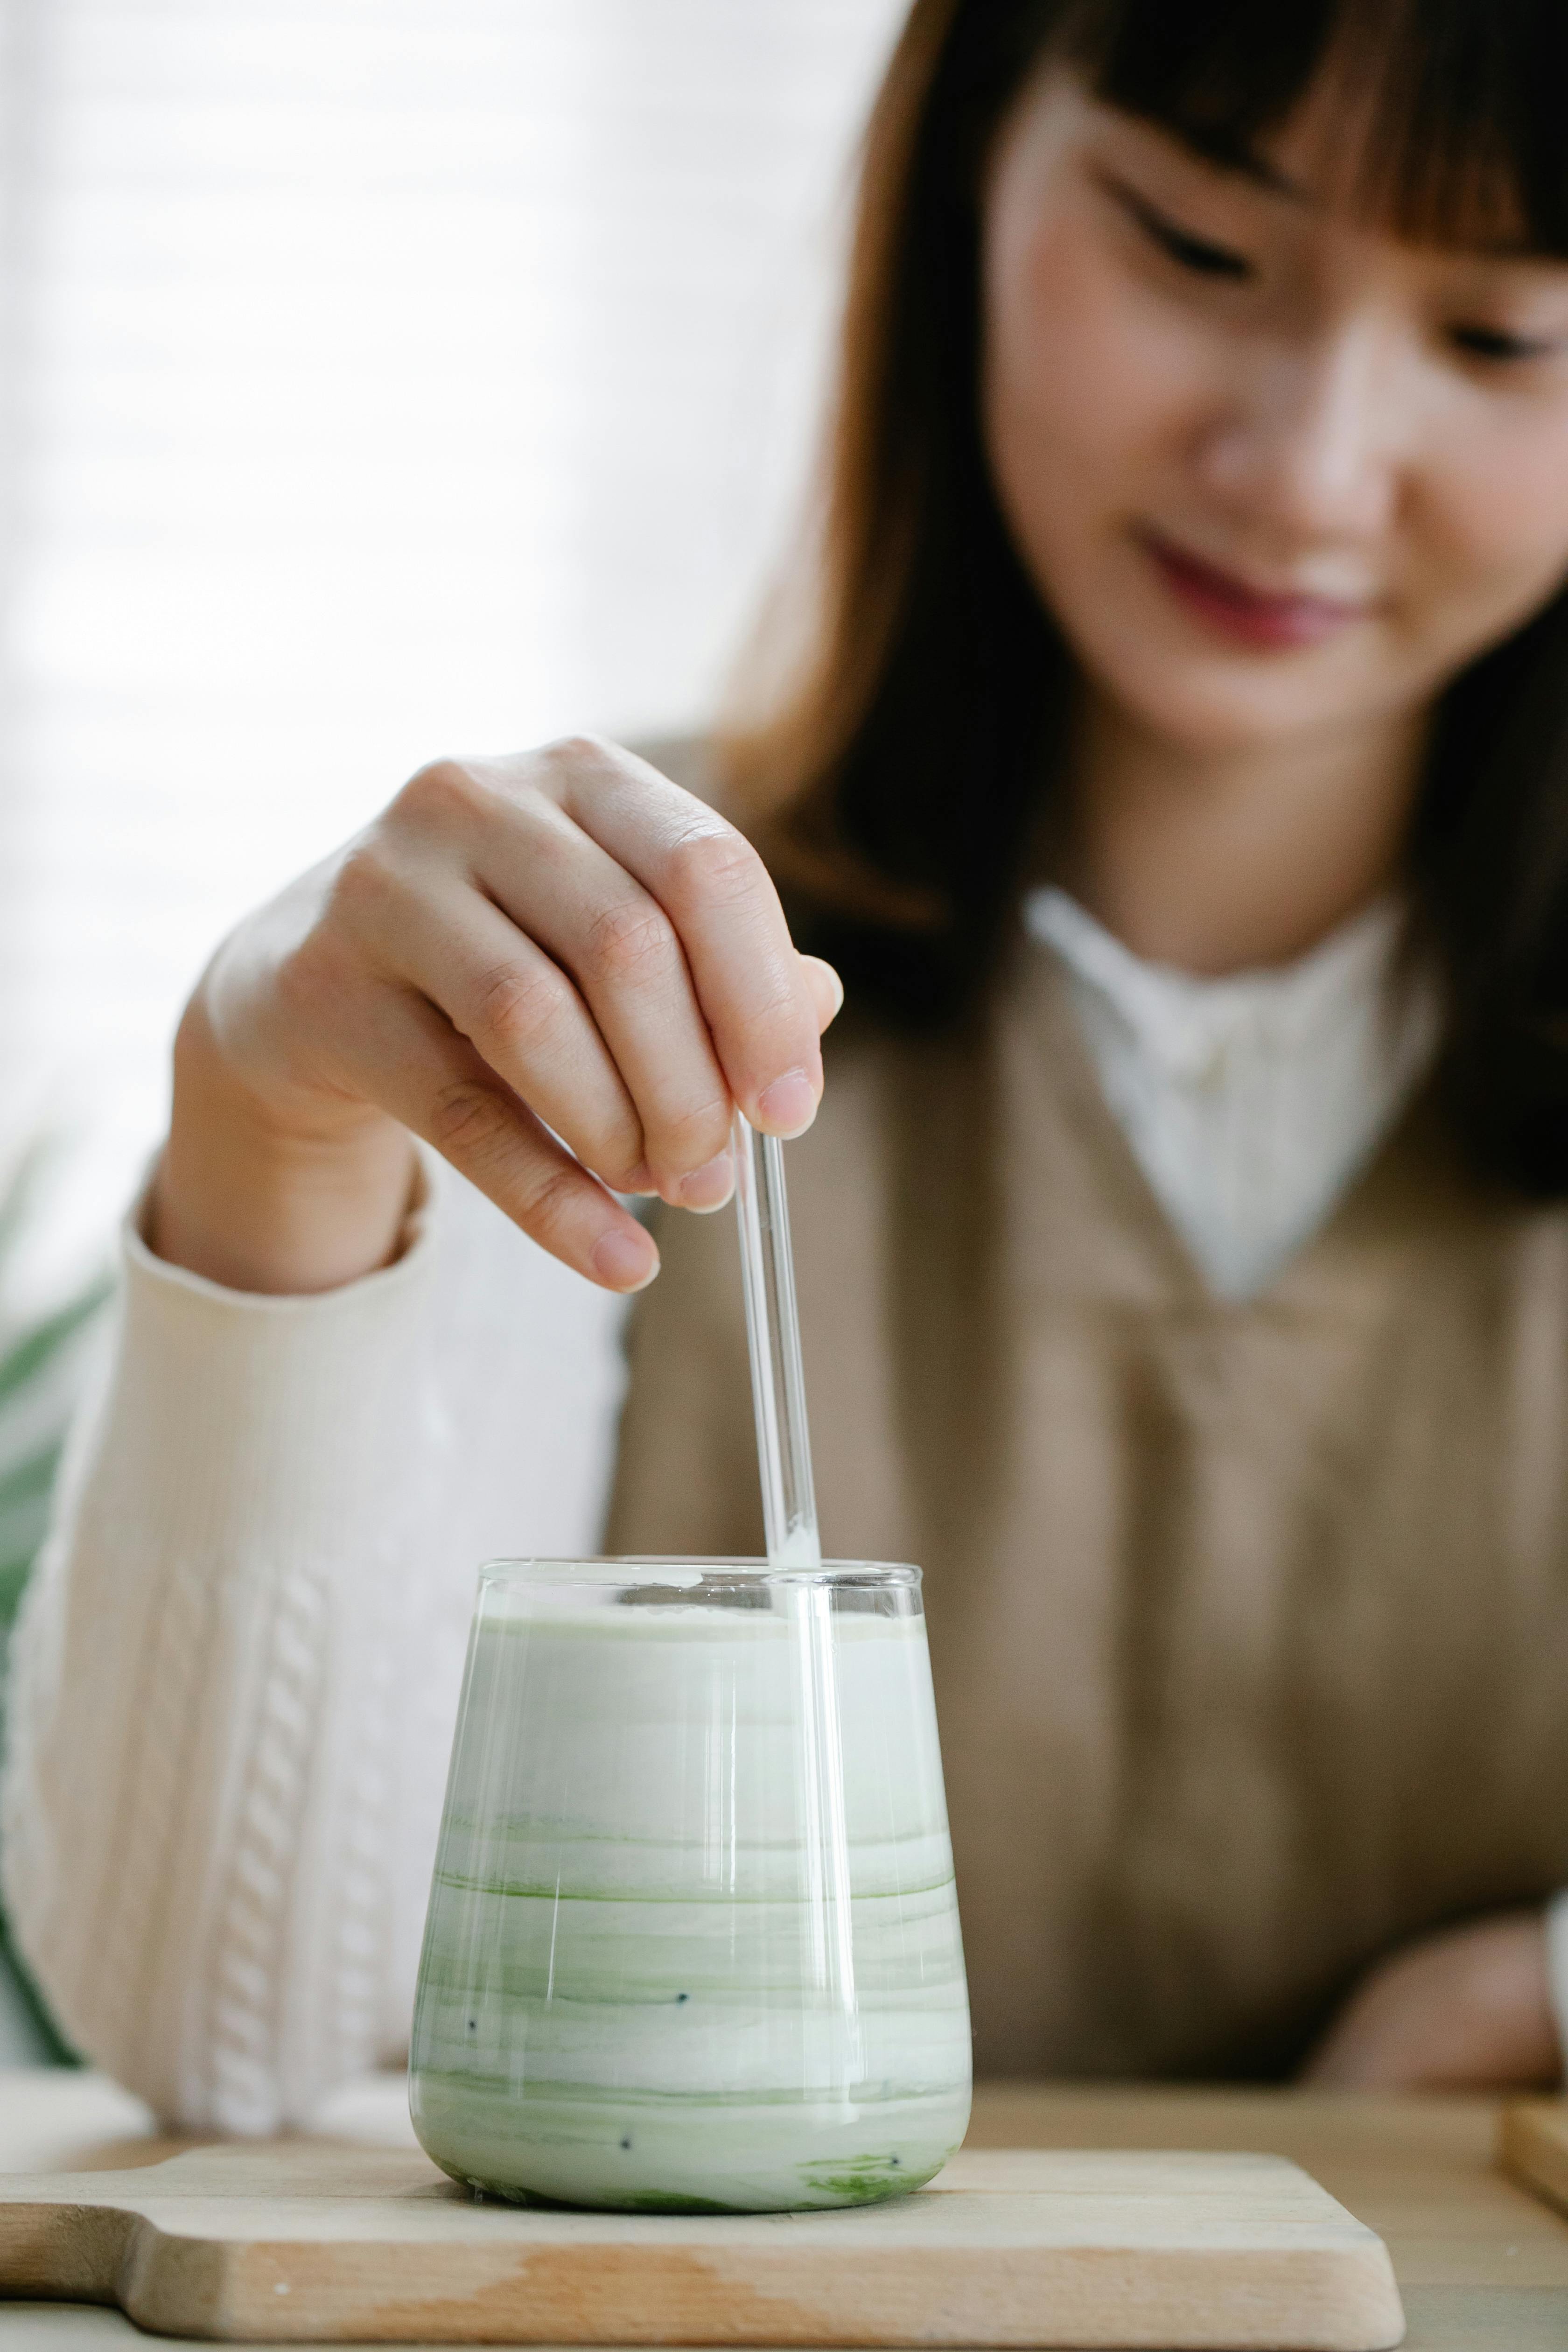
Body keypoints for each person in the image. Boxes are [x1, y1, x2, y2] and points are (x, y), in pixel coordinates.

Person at [7, 0, 1568, 2128]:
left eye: (1503, 341)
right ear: (966, 170)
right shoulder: (591, 957)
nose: (1305, 465)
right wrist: (268, 1135)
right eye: (1198, 250)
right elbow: (229, 2051)